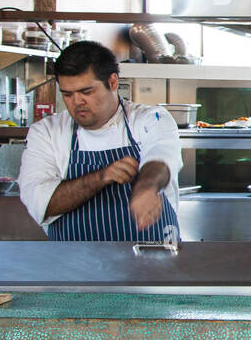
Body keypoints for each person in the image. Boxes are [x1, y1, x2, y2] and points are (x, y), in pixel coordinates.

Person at [18, 40, 182, 241]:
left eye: (87, 92)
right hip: (74, 265)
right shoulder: (46, 133)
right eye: (67, 94)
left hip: (152, 258)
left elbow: (161, 160)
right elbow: (41, 202)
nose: (77, 102)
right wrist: (101, 177)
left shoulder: (150, 119)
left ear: (113, 82)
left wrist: (146, 187)